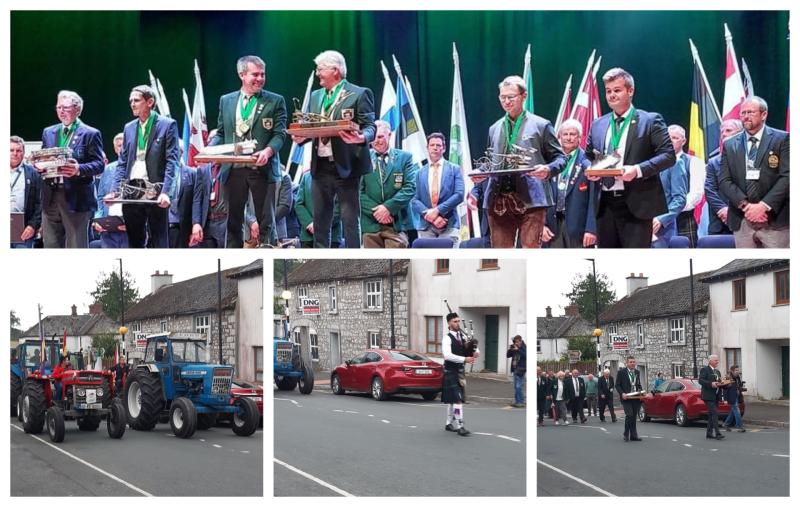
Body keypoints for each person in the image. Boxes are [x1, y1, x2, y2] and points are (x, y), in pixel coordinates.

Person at [291, 50, 376, 248]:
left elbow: (370, 126)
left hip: (346, 167)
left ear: (335, 71)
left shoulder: (359, 93)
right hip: (320, 167)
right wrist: (301, 138)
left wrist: (362, 136)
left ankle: (354, 262)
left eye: (320, 69)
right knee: (320, 221)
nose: (318, 73)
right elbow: (312, 127)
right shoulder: (315, 96)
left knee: (349, 221)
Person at [470, 76, 566, 248]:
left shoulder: (541, 125)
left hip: (532, 200)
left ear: (524, 96)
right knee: (502, 256)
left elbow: (561, 158)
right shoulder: (494, 128)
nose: (506, 101)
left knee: (530, 253)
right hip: (498, 199)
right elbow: (492, 162)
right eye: (502, 97)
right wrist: (480, 172)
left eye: (511, 97)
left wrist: (548, 169)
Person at [585, 68, 676, 248]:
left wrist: (638, 170)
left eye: (617, 90)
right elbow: (587, 156)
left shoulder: (650, 120)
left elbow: (668, 156)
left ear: (630, 91)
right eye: (608, 91)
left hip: (637, 203)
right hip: (604, 203)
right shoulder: (598, 124)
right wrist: (590, 169)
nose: (611, 95)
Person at [208, 55, 287, 247]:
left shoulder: (275, 101)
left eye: (262, 74)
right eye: (255, 74)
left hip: (262, 168)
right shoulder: (226, 100)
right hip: (233, 169)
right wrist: (210, 150)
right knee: (234, 222)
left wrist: (267, 152)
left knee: (265, 222)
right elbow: (221, 132)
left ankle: (266, 255)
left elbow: (279, 134)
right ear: (241, 74)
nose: (260, 78)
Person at [107, 84, 178, 248]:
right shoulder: (129, 127)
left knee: (159, 240)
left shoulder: (167, 125)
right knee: (134, 242)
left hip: (155, 191)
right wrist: (114, 190)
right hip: (131, 190)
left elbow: (172, 162)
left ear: (150, 102)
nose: (132, 104)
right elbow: (122, 162)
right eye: (131, 100)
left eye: (137, 100)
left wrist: (167, 192)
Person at [719, 96, 790, 248]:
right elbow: (724, 180)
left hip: (775, 220)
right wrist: (747, 207)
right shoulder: (730, 144)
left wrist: (763, 206)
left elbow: (788, 176)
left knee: (778, 263)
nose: (745, 116)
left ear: (764, 115)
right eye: (742, 113)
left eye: (750, 112)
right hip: (742, 219)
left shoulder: (782, 139)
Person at [38, 90, 105, 248]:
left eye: (66, 107)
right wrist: (38, 165)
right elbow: (43, 157)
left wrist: (78, 169)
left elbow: (99, 164)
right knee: (50, 245)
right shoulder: (49, 132)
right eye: (58, 107)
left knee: (76, 247)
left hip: (76, 199)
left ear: (77, 109)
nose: (61, 111)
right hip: (50, 196)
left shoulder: (90, 133)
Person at [360, 120, 417, 248]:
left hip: (397, 223)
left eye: (380, 137)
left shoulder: (405, 157)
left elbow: (410, 187)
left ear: (389, 135)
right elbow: (358, 192)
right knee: (373, 267)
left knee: (396, 266)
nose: (376, 141)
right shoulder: (363, 158)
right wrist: (378, 212)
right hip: (371, 225)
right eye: (373, 138)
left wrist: (388, 208)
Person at [542, 119, 597, 248]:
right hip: (552, 226)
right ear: (559, 137)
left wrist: (591, 229)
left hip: (579, 229)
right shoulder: (549, 162)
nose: (568, 138)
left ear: (579, 137)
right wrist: (541, 224)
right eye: (565, 134)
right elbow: (542, 195)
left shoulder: (588, 162)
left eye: (573, 134)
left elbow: (594, 199)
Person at [411, 133, 465, 246]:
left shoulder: (454, 169)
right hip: (426, 226)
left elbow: (459, 195)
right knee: (426, 262)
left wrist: (437, 211)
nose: (435, 148)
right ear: (427, 148)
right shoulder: (419, 173)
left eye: (438, 145)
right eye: (432, 145)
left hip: (449, 224)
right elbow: (414, 199)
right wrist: (431, 216)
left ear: (444, 148)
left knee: (449, 261)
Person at [441, 311, 480, 436]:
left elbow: (472, 350)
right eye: (455, 321)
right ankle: (460, 425)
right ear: (449, 323)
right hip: (450, 371)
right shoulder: (447, 338)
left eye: (458, 321)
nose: (457, 323)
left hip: (460, 372)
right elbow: (447, 356)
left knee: (453, 400)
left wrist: (475, 351)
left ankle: (448, 423)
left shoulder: (463, 337)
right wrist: (464, 359)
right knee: (457, 400)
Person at [705, 119, 744, 235]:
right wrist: (722, 209)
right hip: (718, 222)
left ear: (741, 133)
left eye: (728, 130)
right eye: (722, 132)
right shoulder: (713, 162)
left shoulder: (749, 159)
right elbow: (709, 189)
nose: (724, 134)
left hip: (743, 220)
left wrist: (734, 211)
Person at [669, 125, 705, 246]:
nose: (670, 141)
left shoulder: (694, 162)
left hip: (684, 217)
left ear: (683, 141)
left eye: (674, 138)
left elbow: (696, 193)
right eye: (667, 138)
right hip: (659, 218)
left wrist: (673, 210)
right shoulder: (657, 162)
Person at [92, 133, 128, 248]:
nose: (121, 149)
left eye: (124, 145)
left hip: (130, 228)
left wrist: (136, 223)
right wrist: (98, 219)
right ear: (115, 148)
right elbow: (101, 197)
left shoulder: (139, 168)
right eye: (118, 146)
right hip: (108, 229)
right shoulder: (108, 170)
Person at [652, 133, 688, 248]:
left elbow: (680, 199)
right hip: (637, 226)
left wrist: (661, 220)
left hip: (661, 229)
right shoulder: (640, 164)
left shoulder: (675, 163)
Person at [295, 169, 343, 248]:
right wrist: (309, 223)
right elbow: (299, 204)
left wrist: (320, 225)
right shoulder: (306, 177)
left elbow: (340, 207)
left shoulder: (339, 178)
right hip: (308, 236)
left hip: (332, 236)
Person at [10, 136, 42, 248]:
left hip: (24, 231)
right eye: (11, 150)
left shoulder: (34, 174)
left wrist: (33, 226)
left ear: (23, 153)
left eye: (18, 151)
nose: (15, 153)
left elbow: (40, 203)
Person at [168, 151, 198, 248]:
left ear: (180, 153)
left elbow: (196, 202)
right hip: (161, 229)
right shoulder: (158, 173)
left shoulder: (192, 174)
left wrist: (195, 225)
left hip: (184, 230)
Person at [616, 355, 643, 441]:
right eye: (630, 362)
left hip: (635, 397)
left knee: (634, 416)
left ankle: (633, 436)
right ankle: (626, 433)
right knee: (629, 415)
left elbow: (638, 384)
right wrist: (622, 393)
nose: (632, 363)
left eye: (633, 362)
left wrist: (641, 392)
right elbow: (617, 385)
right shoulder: (621, 372)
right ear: (626, 363)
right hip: (626, 397)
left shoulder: (637, 372)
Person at [699, 354, 725, 440]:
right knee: (714, 413)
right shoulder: (705, 369)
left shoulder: (717, 372)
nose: (717, 362)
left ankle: (709, 433)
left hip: (716, 396)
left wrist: (726, 383)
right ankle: (717, 433)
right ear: (710, 361)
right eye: (715, 360)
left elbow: (720, 382)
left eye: (717, 360)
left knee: (711, 415)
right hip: (708, 396)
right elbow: (701, 380)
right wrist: (710, 384)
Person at [723, 365, 746, 432]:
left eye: (738, 370)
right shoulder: (727, 378)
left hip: (737, 396)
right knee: (736, 410)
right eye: (736, 370)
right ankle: (739, 426)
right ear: (732, 371)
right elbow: (724, 389)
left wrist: (741, 388)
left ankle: (726, 424)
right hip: (731, 397)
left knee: (733, 411)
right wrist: (725, 399)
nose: (737, 371)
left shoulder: (737, 377)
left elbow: (738, 386)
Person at [506, 335, 526, 408]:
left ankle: (520, 402)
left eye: (517, 342)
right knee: (516, 387)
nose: (516, 343)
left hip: (521, 369)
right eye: (515, 342)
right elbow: (508, 356)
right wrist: (510, 349)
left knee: (518, 386)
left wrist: (518, 349)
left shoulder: (524, 347)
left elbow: (525, 355)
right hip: (515, 369)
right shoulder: (514, 347)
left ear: (520, 341)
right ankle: (518, 401)